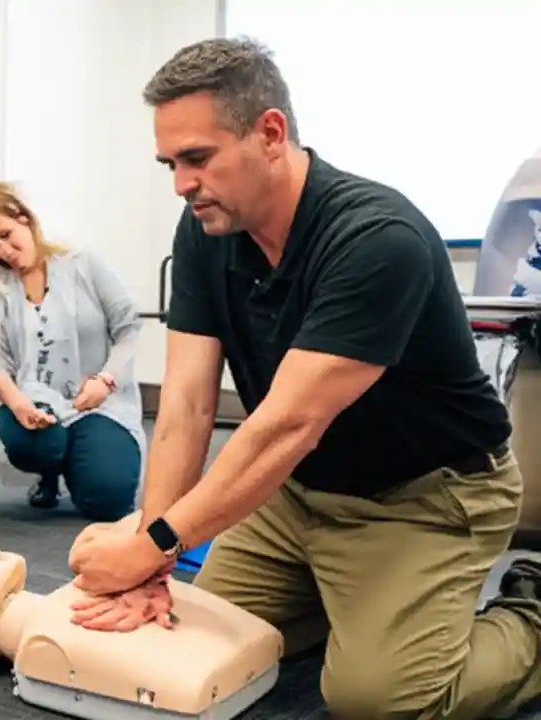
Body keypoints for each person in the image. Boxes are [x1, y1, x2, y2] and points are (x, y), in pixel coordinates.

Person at [67, 37, 541, 719]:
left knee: (375, 701)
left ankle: (530, 617)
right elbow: (188, 407)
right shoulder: (206, 229)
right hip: (297, 496)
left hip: (425, 500)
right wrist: (154, 556)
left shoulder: (378, 239)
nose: (180, 183)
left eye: (197, 158)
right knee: (190, 645)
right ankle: (353, 611)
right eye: (170, 163)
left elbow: (286, 426)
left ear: (269, 133)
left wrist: (151, 545)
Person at [0, 182, 145, 516]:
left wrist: (106, 379)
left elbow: (128, 328)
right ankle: (50, 467)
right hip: (30, 399)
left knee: (107, 500)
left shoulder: (83, 264)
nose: (4, 250)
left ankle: (82, 459)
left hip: (97, 402)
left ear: (24, 218)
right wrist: (18, 405)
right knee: (40, 443)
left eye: (6, 235)